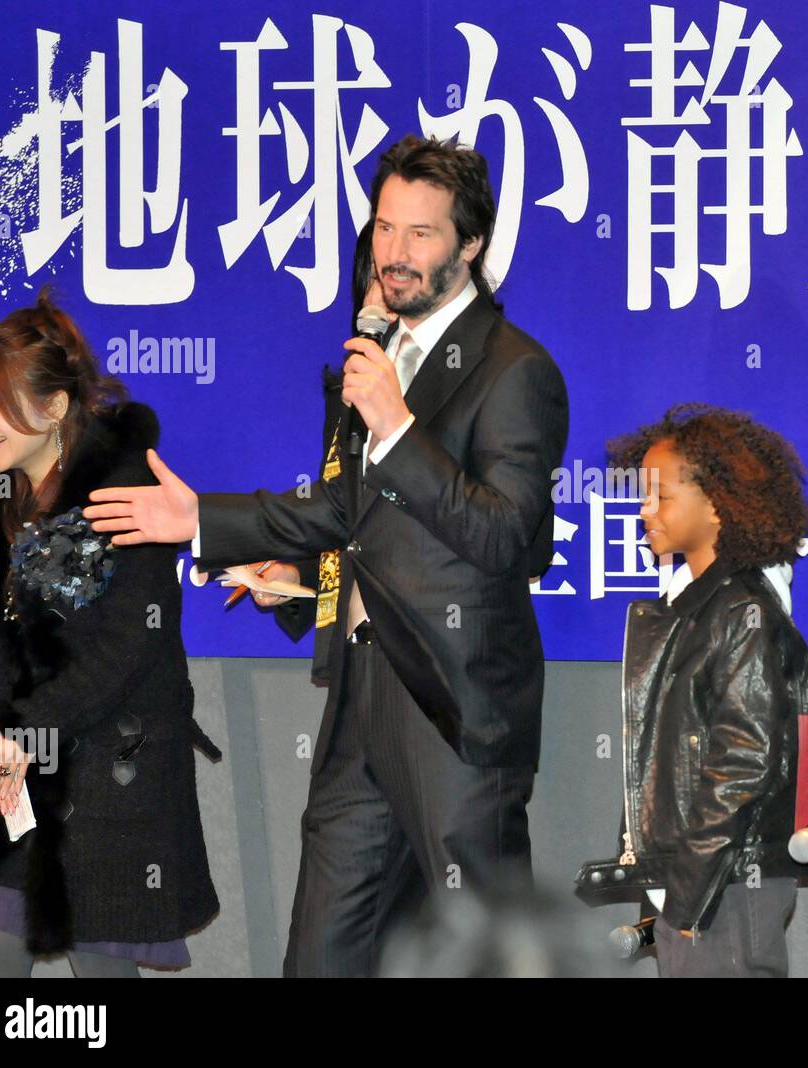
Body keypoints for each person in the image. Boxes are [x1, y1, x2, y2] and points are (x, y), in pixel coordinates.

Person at [84, 134, 570, 977]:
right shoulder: (373, 361)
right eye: (384, 228)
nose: (393, 254)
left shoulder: (514, 370)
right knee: (320, 955)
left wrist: (400, 428)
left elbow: (506, 539)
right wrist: (205, 521)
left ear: (472, 244)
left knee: (484, 951)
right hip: (359, 696)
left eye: (421, 233)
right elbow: (347, 512)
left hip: (454, 706)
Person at [0, 291, 219, 977]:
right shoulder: (0, 490)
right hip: (26, 759)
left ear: (55, 409)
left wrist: (29, 729)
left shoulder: (122, 490)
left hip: (115, 760)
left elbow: (132, 646)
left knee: (101, 966)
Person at [602, 403, 808, 977]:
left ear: (717, 506)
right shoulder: (690, 607)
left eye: (661, 494)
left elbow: (745, 762)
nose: (645, 509)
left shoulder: (743, 611)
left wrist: (688, 886)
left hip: (726, 882)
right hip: (700, 882)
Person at [244, 220, 389, 687]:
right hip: (352, 662)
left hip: (435, 674)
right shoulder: (347, 397)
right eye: (370, 279)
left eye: (393, 280)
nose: (375, 299)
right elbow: (342, 518)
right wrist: (289, 574)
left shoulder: (473, 388)